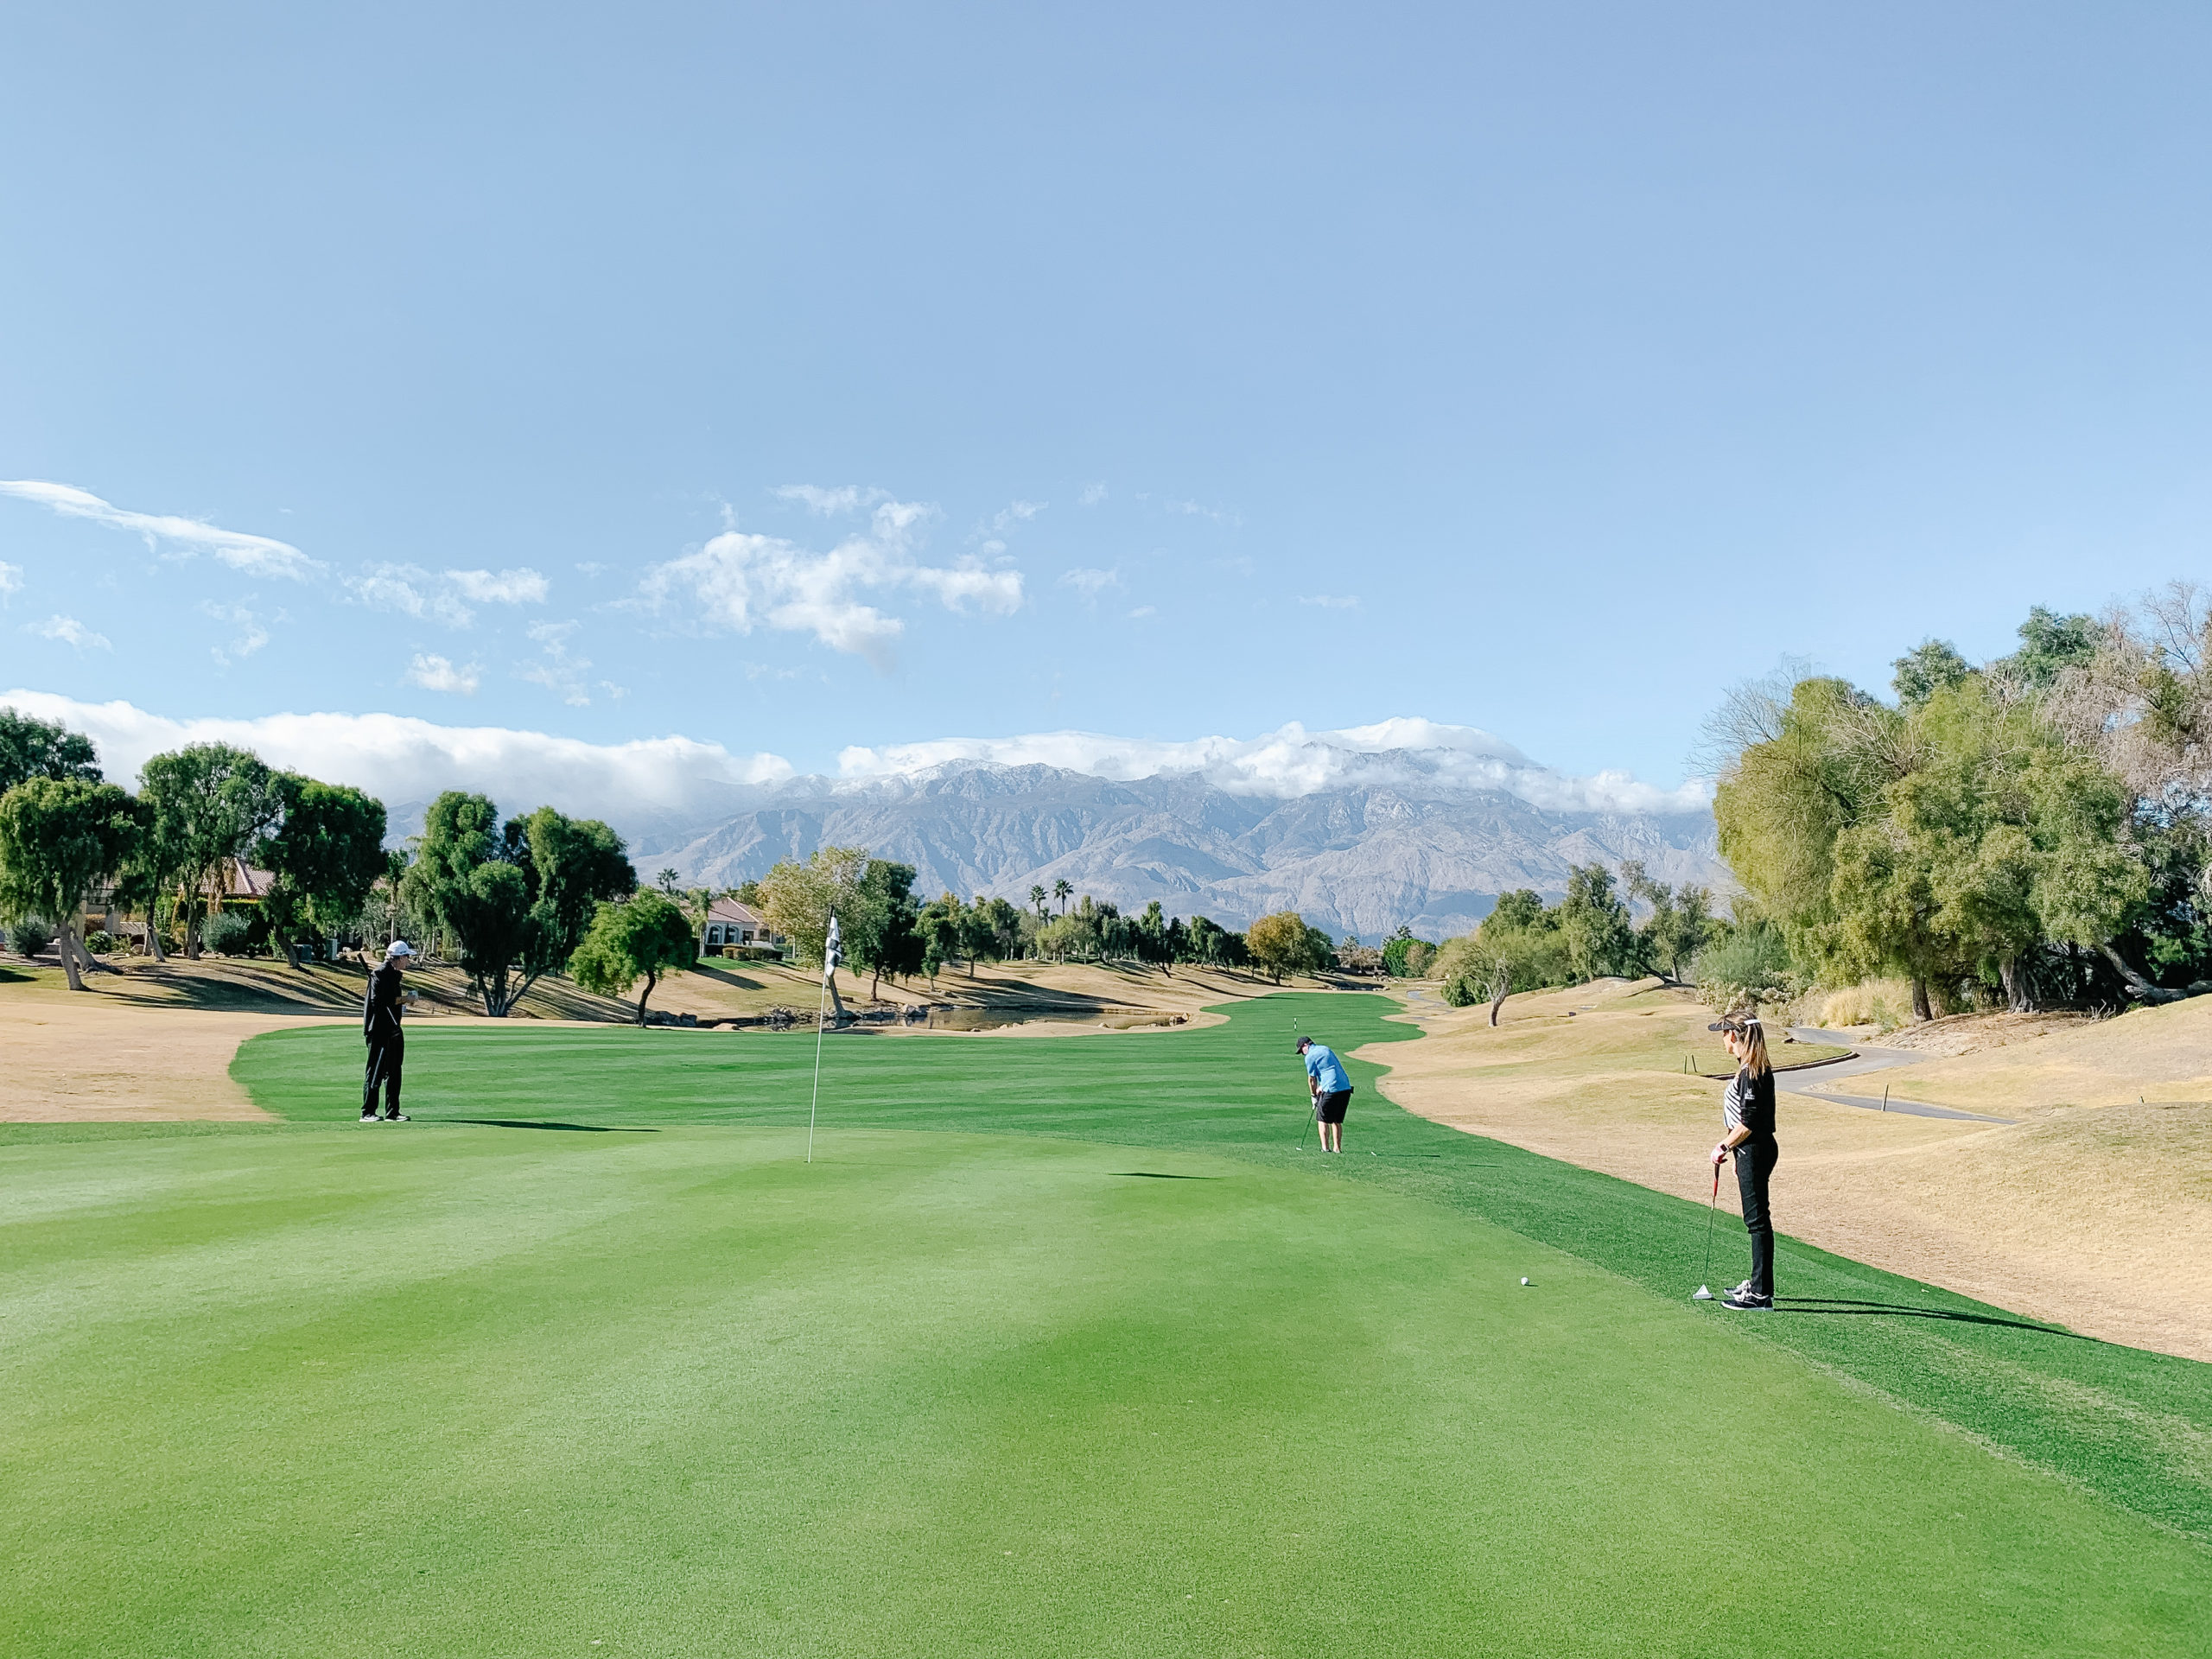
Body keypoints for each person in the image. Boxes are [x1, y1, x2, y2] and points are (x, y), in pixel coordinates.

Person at [1707, 1014, 1778, 1309]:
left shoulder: (1752, 1072)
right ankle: (1759, 1283)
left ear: (1734, 1036)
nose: (1722, 1038)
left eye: (1723, 1032)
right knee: (1756, 1220)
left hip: (1754, 1149)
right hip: (1751, 1150)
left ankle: (1761, 1295)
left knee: (1757, 1222)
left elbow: (1748, 1122)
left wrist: (1723, 1146)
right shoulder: (1750, 1068)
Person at [363, 939, 418, 1123]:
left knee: (394, 1071)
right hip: (379, 1031)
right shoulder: (379, 973)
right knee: (375, 1071)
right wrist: (405, 999)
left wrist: (403, 1000)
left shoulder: (394, 975)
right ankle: (367, 1112)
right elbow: (379, 1002)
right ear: (398, 958)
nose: (408, 961)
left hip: (394, 1029)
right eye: (407, 957)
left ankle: (393, 1112)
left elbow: (391, 1000)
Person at [1296, 1035, 1354, 1153]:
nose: (1303, 1054)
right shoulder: (1325, 1049)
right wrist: (1322, 1086)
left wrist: (1313, 1096)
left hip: (1331, 1089)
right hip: (1345, 1087)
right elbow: (1331, 1069)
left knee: (1322, 1119)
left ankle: (1325, 1148)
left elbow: (1312, 1079)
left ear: (1305, 1045)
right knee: (1336, 1120)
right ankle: (1337, 1149)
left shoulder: (1310, 1056)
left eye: (1302, 1051)